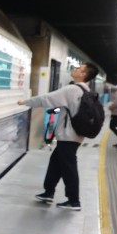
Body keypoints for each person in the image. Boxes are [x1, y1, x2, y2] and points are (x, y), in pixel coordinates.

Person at [17, 63, 100, 211]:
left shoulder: (72, 89)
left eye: (79, 69)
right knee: (56, 162)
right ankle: (48, 192)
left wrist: (25, 102)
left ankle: (74, 201)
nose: (75, 69)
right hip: (74, 135)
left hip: (68, 135)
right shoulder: (86, 90)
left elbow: (46, 99)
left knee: (69, 168)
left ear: (83, 75)